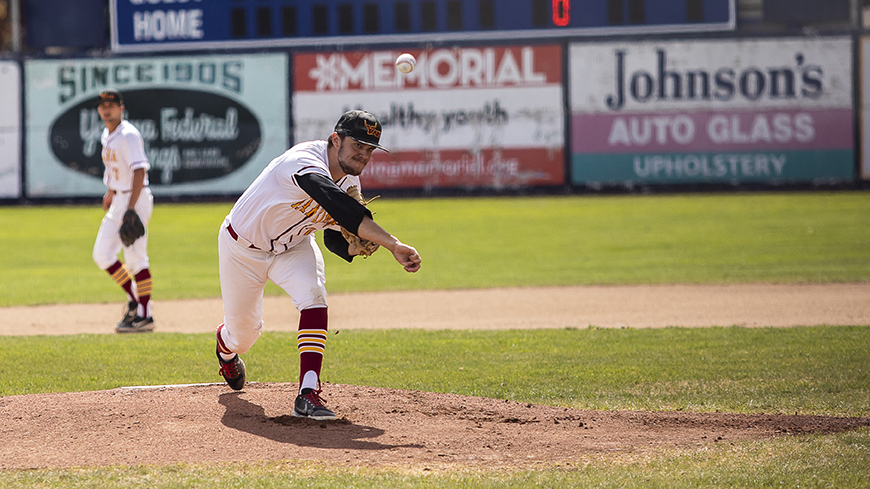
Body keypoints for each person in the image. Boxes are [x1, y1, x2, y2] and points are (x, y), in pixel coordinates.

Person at [216, 109, 421, 420]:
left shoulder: (349, 180)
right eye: (357, 146)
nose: (363, 155)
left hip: (293, 246)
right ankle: (226, 348)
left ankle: (308, 393)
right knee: (244, 337)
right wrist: (391, 243)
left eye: (369, 150)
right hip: (243, 249)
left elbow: (333, 237)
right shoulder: (303, 162)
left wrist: (354, 244)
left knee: (313, 297)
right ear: (335, 139)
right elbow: (336, 205)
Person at [92, 89, 156, 333]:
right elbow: (117, 168)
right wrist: (111, 191)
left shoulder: (128, 135)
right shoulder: (107, 134)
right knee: (102, 254)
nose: (106, 108)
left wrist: (131, 209)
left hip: (135, 199)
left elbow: (139, 170)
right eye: (102, 105)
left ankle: (145, 315)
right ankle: (134, 301)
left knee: (136, 257)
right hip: (121, 198)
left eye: (111, 104)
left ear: (121, 108)